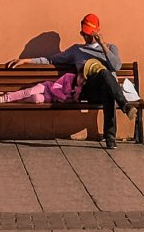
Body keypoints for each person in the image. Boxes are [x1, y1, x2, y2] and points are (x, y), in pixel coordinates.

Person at [50, 14, 127, 148]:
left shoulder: (111, 48)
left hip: (107, 90)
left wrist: (103, 45)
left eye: (88, 34)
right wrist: (27, 60)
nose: (85, 37)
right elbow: (53, 59)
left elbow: (116, 66)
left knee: (107, 87)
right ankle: (124, 105)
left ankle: (110, 138)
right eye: (83, 34)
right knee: (103, 72)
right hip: (89, 90)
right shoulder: (77, 50)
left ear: (97, 32)